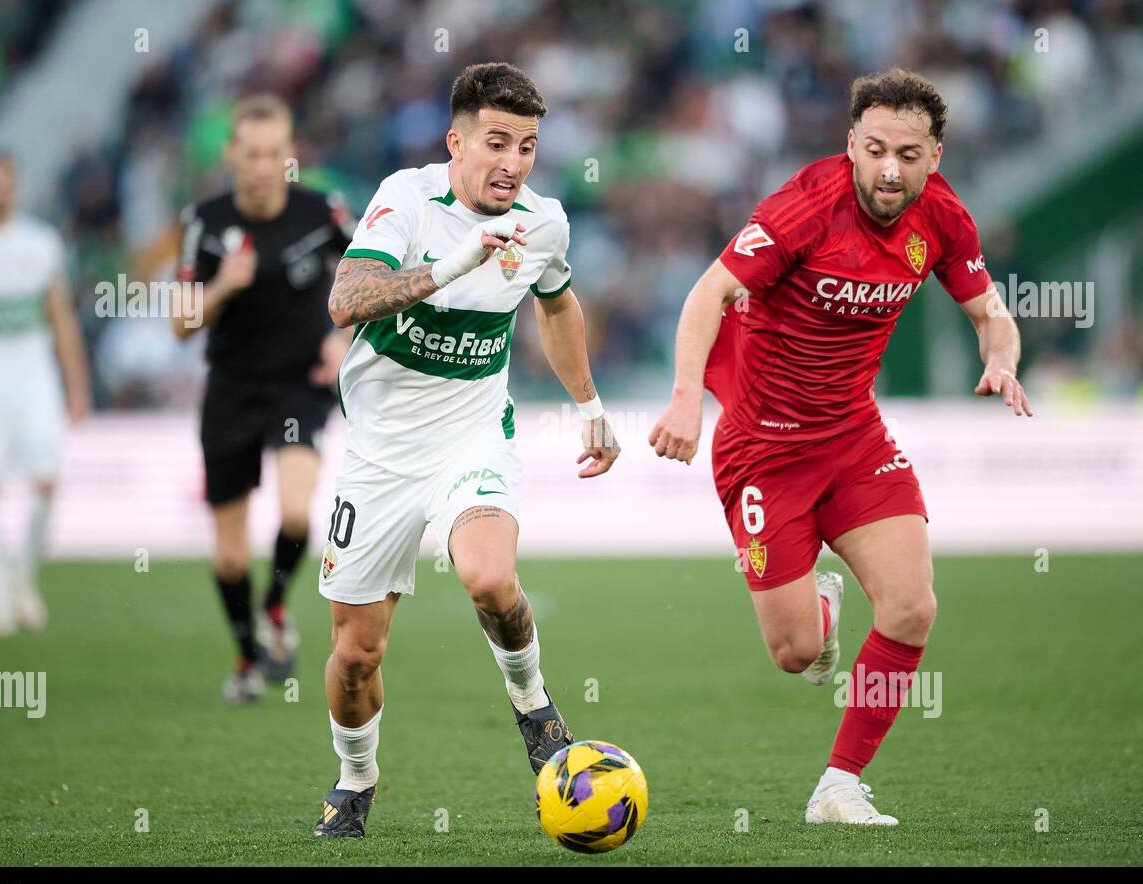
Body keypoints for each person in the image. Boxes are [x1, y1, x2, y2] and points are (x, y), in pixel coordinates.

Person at [649, 68, 1033, 826]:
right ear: (852, 144)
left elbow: (991, 311)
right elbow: (707, 294)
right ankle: (818, 610)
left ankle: (839, 785)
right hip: (762, 449)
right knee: (795, 654)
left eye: (911, 154)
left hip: (856, 439)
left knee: (912, 608)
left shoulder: (945, 220)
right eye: (878, 149)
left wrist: (1002, 356)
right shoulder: (803, 209)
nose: (892, 169)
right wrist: (687, 398)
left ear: (936, 155)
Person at [313, 62, 619, 838]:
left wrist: (589, 405)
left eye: (527, 146)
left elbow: (558, 304)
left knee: (489, 578)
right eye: (495, 143)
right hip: (380, 455)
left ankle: (534, 706)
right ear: (456, 142)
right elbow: (346, 300)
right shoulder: (406, 200)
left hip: (473, 435)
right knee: (355, 656)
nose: (512, 162)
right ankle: (356, 778)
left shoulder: (544, 223)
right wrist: (453, 265)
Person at [173, 94, 354, 703]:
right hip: (229, 391)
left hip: (298, 386)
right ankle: (247, 657)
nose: (261, 165)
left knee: (299, 514)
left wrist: (345, 339)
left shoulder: (321, 212)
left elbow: (370, 276)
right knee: (228, 557)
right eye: (250, 154)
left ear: (289, 154)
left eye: (273, 153)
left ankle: (274, 605)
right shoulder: (204, 220)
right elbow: (180, 323)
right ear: (232, 155)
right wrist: (222, 286)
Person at [0, 152, 90, 637]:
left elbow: (61, 317)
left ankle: (23, 576)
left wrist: (76, 385)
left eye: (4, 181)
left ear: (16, 186)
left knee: (47, 479)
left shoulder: (40, 242)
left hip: (34, 380)